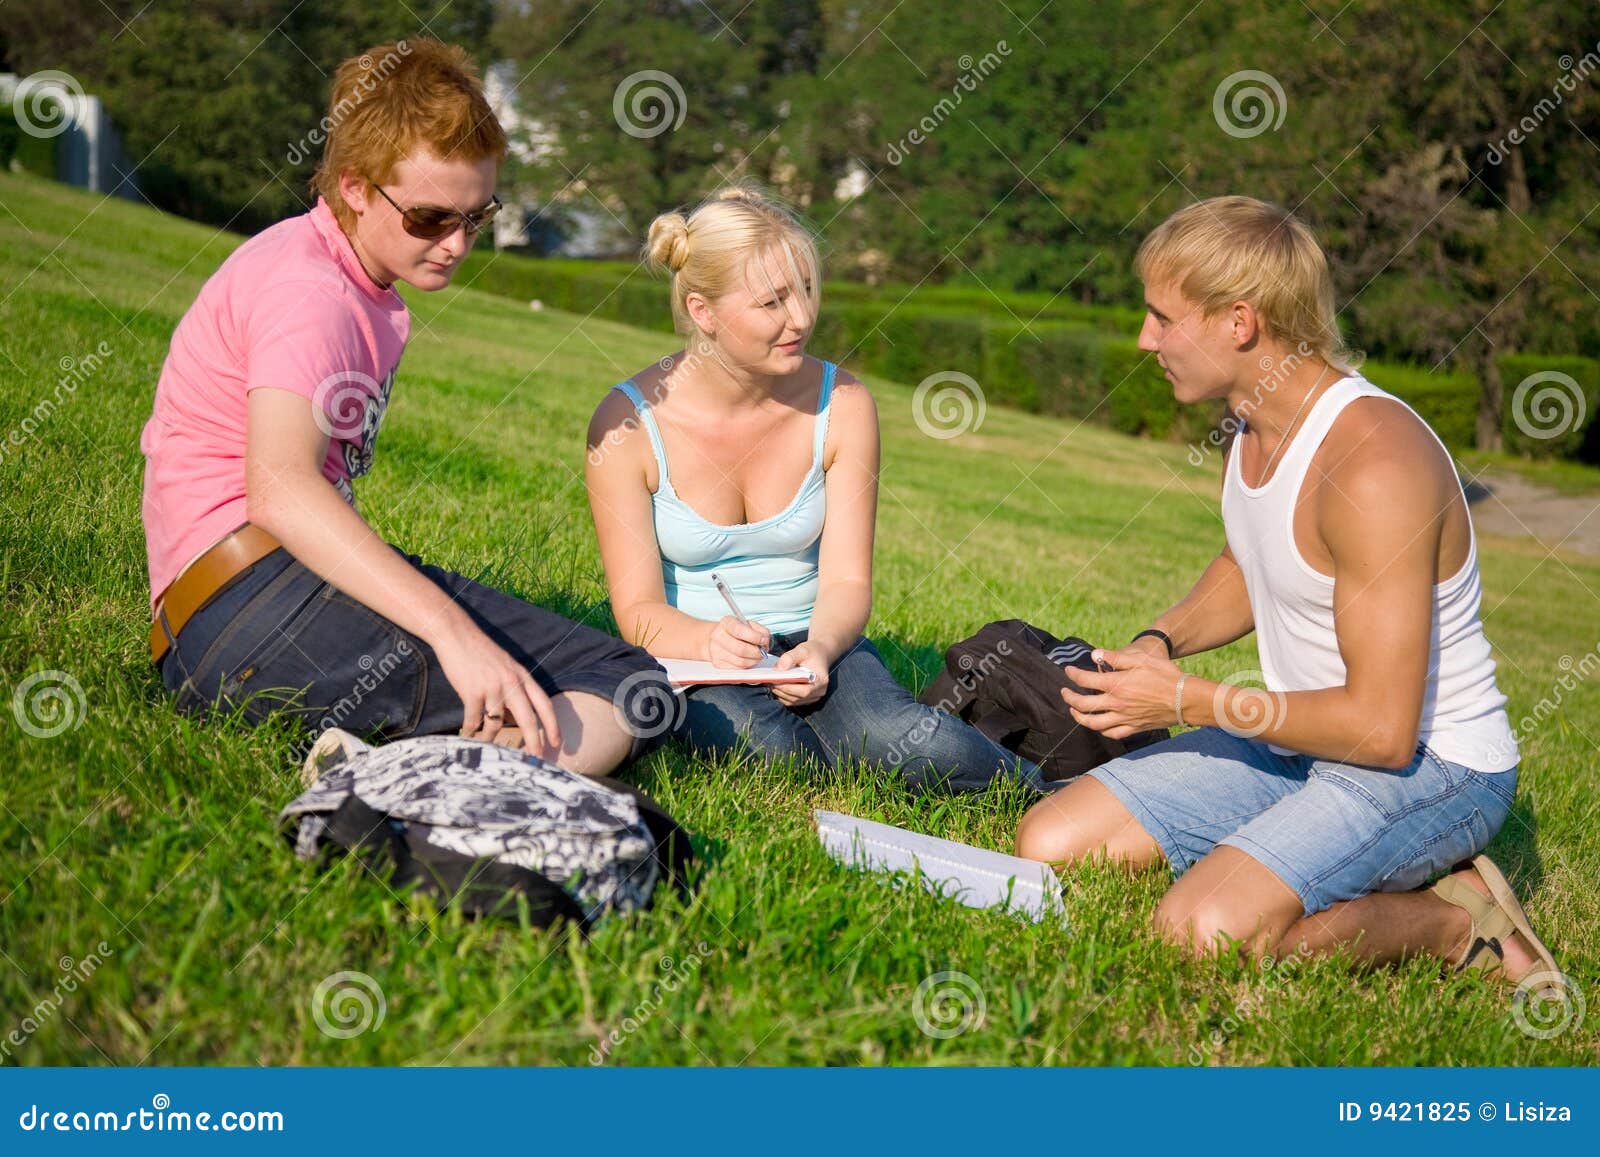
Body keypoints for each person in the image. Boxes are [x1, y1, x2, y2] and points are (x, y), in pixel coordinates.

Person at [1015, 196, 1563, 992]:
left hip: (1429, 767)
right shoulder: (1249, 424)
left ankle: (1454, 919)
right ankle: (1296, 845)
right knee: (1051, 842)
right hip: (1299, 742)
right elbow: (1252, 561)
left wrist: (1188, 701)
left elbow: (1382, 731)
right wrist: (1158, 643)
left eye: (1162, 318)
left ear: (1240, 322)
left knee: (1199, 932)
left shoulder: (1373, 464)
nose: (1144, 339)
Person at [141, 39, 670, 775]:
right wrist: (453, 633)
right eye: (429, 218)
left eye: (476, 217)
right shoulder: (313, 294)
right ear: (355, 187)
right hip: (254, 611)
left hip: (221, 629)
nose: (456, 244)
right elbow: (281, 487)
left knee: (595, 684)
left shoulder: (331, 267)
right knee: (630, 683)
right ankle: (419, 786)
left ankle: (386, 762)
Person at [584, 184, 1042, 793]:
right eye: (772, 301)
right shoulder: (627, 425)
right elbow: (637, 613)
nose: (800, 318)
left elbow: (848, 580)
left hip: (819, 637)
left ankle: (1055, 792)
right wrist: (707, 640)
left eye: (804, 290)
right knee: (774, 754)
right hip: (696, 657)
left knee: (907, 739)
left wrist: (822, 649)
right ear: (703, 312)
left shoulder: (844, 404)